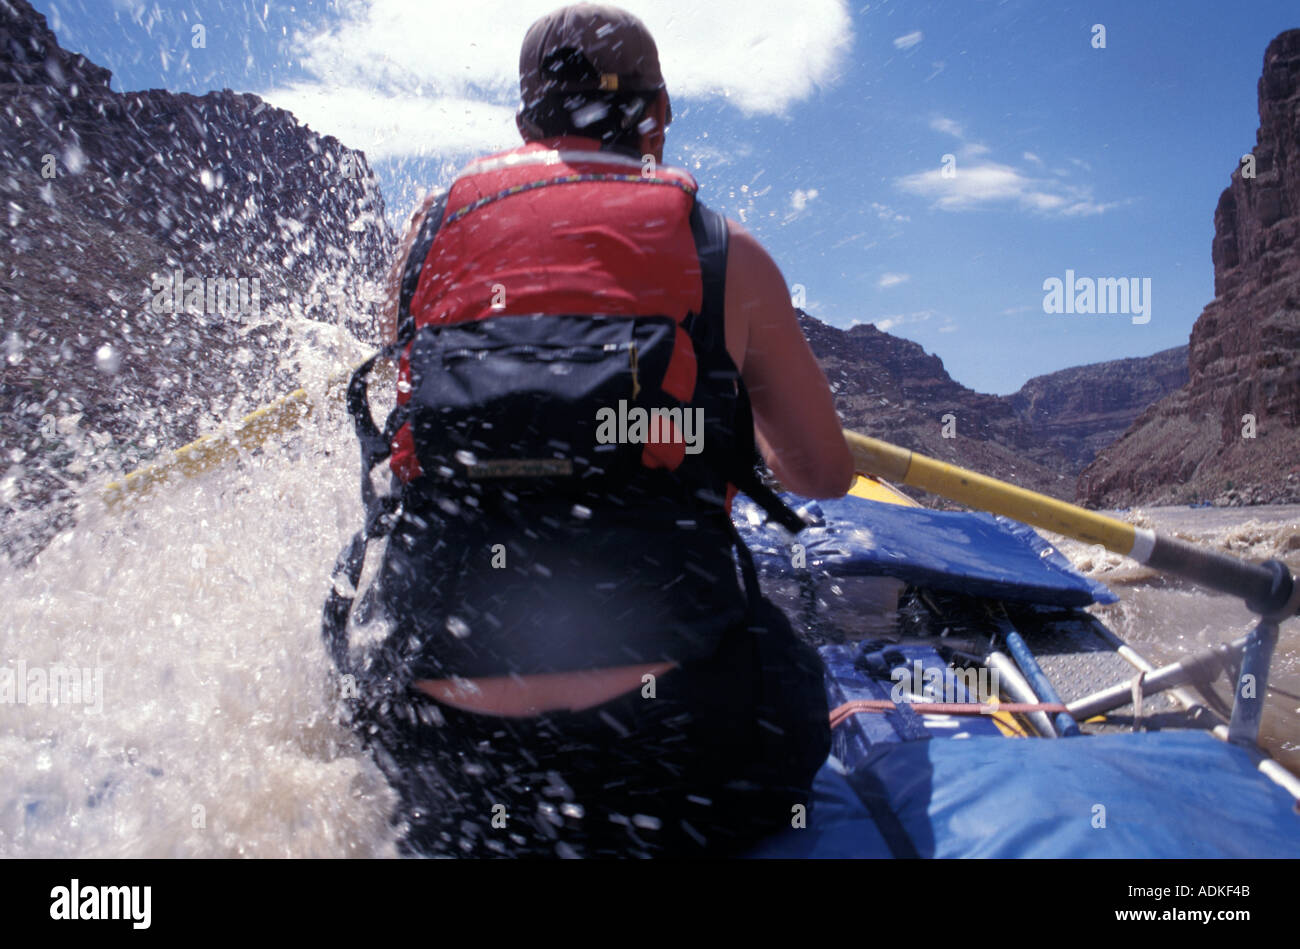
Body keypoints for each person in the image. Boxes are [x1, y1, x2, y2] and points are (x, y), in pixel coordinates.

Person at [337, 3, 854, 858]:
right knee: (788, 674)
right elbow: (821, 473)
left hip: (439, 751)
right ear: (655, 118)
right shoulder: (724, 250)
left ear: (523, 122)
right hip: (670, 754)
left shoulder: (426, 237)